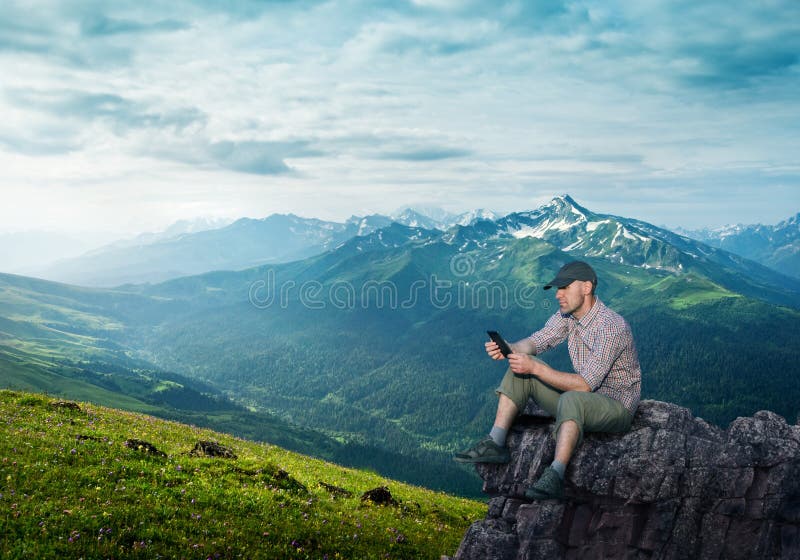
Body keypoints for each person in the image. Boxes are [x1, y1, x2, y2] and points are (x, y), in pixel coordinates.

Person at [454, 261, 641, 501]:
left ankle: (556, 474)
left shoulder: (612, 327)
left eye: (564, 287)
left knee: (571, 396)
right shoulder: (568, 316)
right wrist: (510, 348)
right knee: (521, 367)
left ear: (586, 287)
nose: (558, 294)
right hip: (583, 398)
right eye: (557, 288)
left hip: (615, 406)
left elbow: (584, 385)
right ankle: (496, 442)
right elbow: (539, 340)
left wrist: (536, 368)